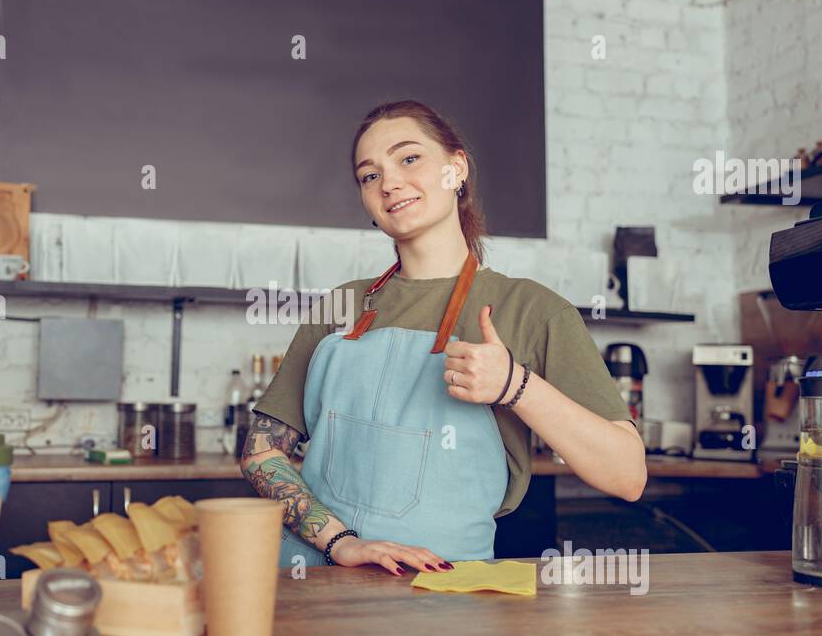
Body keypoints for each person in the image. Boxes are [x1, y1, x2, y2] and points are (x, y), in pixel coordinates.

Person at [244, 99, 646, 574]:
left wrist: (515, 385)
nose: (389, 182)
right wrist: (341, 543)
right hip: (311, 573)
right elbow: (261, 451)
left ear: (456, 169)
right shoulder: (342, 304)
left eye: (408, 158)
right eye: (369, 175)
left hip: (443, 589)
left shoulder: (533, 310)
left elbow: (627, 475)